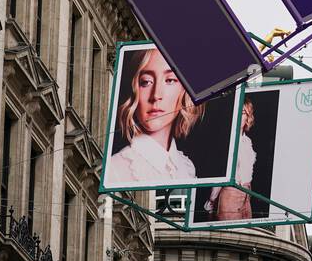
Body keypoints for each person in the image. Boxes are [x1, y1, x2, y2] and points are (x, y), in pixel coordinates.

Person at [107, 47, 203, 185]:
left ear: (184, 90)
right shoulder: (115, 169)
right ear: (135, 89)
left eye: (170, 80)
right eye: (146, 82)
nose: (156, 95)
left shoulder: (186, 167)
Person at [205, 100, 256, 221]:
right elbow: (219, 171)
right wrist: (212, 201)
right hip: (231, 191)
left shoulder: (247, 142)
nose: (239, 116)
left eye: (243, 112)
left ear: (248, 117)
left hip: (247, 194)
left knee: (246, 234)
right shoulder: (226, 140)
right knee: (230, 231)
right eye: (237, 112)